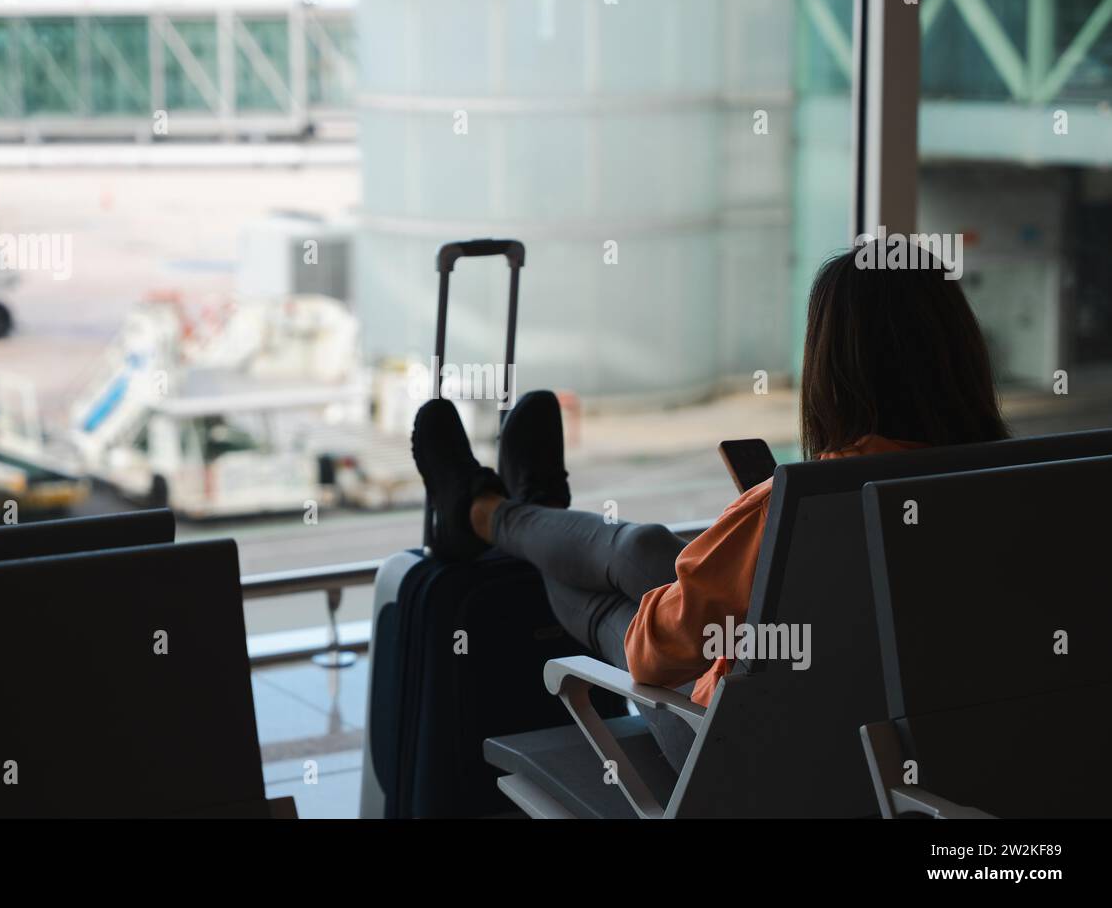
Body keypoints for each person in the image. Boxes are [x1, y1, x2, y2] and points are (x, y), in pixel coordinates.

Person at [409, 246, 1009, 768]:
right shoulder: (1015, 487)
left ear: (835, 373)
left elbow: (648, 657)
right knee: (643, 547)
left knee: (596, 597)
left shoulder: (800, 506)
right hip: (903, 743)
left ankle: (495, 512)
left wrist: (747, 532)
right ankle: (521, 510)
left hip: (740, 750)